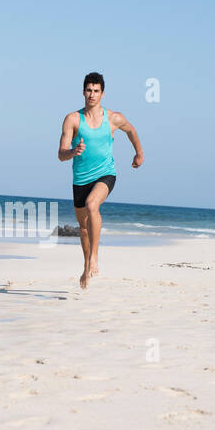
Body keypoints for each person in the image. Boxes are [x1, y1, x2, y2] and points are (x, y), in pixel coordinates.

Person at [57, 72, 144, 288]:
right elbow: (61, 154)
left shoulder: (114, 118)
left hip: (106, 174)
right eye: (89, 90)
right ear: (83, 92)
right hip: (80, 180)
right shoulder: (73, 119)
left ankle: (95, 257)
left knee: (92, 204)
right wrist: (73, 152)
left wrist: (139, 153)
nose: (92, 94)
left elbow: (131, 131)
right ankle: (86, 266)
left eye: (96, 91)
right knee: (83, 227)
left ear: (102, 94)